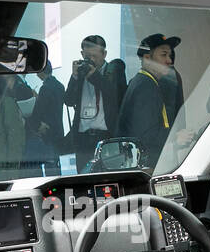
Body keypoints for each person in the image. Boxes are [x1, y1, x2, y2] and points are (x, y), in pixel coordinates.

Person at [118, 33, 184, 169]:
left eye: (169, 55)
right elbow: (146, 135)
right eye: (163, 55)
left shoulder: (147, 82)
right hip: (147, 165)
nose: (169, 61)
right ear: (147, 58)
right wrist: (175, 138)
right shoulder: (145, 86)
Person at [63, 34, 126, 169]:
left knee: (110, 178)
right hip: (83, 139)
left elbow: (115, 94)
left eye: (95, 56)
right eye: (87, 56)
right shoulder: (80, 73)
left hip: (107, 138)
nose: (91, 60)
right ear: (82, 53)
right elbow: (68, 100)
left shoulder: (114, 70)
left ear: (104, 54)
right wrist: (74, 76)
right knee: (84, 179)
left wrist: (94, 76)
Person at [22, 59, 65, 174]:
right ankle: (61, 190)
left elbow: (38, 111)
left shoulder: (45, 88)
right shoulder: (60, 86)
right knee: (55, 165)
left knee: (49, 167)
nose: (36, 73)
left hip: (47, 132)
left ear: (41, 71)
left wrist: (35, 99)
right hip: (58, 131)